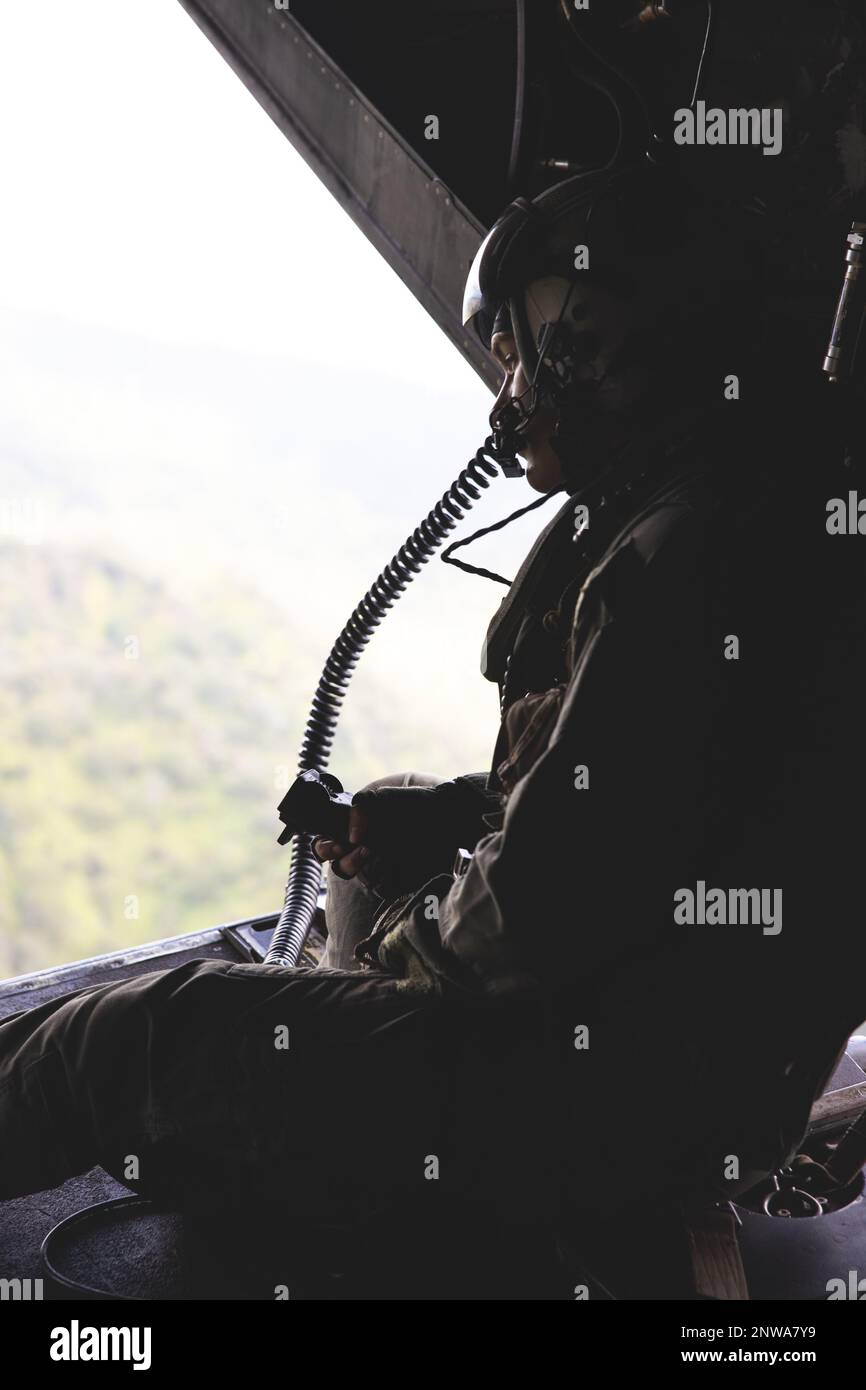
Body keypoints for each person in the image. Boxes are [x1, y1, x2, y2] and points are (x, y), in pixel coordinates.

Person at [3, 158, 866, 1296]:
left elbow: (543, 902)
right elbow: (669, 801)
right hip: (672, 1061)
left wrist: (394, 971)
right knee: (391, 836)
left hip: (609, 1105)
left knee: (124, 1041)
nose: (504, 394)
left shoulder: (683, 556)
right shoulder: (731, 511)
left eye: (517, 357)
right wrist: (459, 815)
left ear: (584, 347)